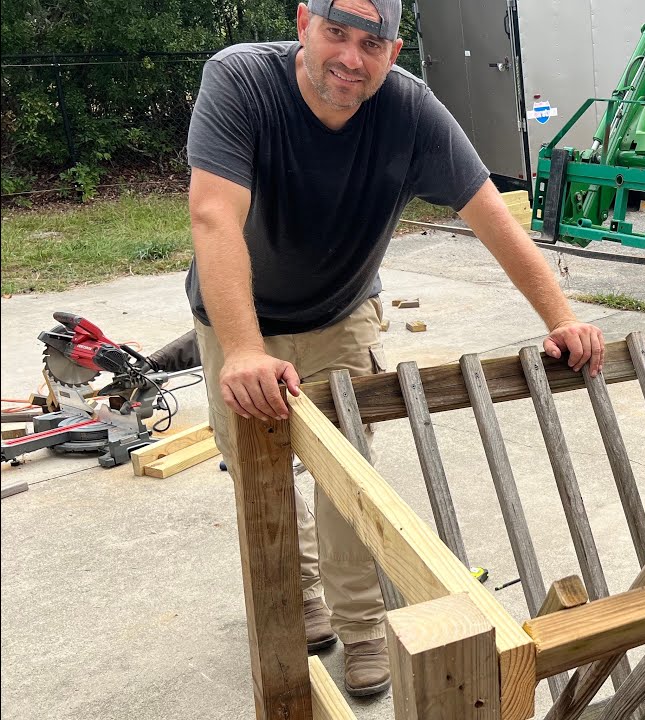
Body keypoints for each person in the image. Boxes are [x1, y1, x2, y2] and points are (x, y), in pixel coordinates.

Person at [186, 0, 605, 698]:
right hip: (236, 317)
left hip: (339, 316)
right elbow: (212, 213)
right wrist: (244, 350)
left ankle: (361, 628)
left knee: (345, 476)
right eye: (336, 33)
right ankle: (300, 596)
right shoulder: (241, 81)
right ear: (303, 24)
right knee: (257, 469)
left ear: (394, 50)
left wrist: (561, 318)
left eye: (371, 43)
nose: (351, 59)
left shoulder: (409, 111)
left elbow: (493, 217)